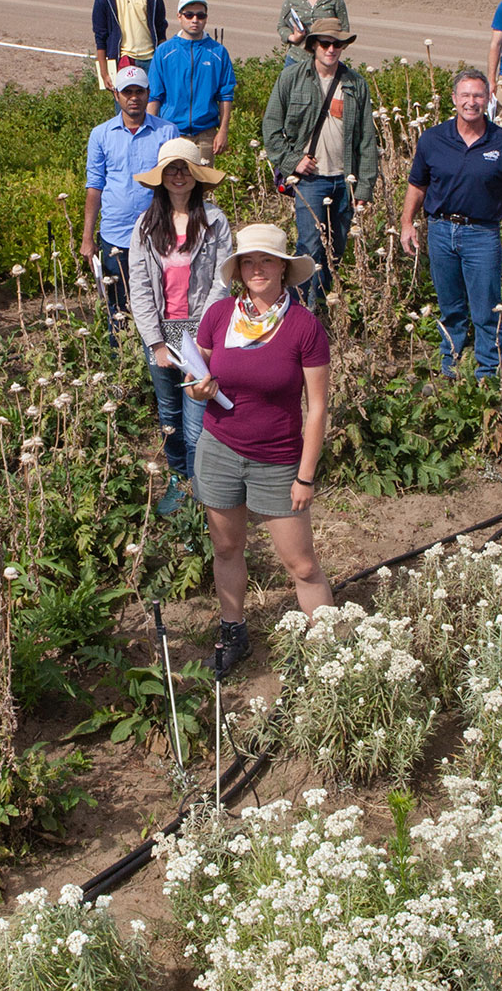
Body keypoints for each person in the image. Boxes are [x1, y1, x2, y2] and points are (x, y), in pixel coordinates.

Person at [186, 224, 333, 676]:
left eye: (266, 260)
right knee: (226, 548)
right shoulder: (219, 316)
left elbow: (317, 408)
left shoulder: (304, 327)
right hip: (219, 450)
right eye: (248, 261)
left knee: (302, 564)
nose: (256, 269)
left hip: (278, 459)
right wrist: (197, 388)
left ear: (284, 268)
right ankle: (234, 632)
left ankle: (333, 653)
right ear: (238, 271)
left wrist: (305, 475)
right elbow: (195, 375)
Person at [126, 139, 234, 513]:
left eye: (185, 169)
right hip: (161, 332)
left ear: (197, 175)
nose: (178, 176)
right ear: (161, 177)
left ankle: (199, 492)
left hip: (200, 334)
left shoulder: (215, 221)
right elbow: (140, 286)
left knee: (196, 422)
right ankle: (178, 480)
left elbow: (223, 279)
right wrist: (156, 343)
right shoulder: (145, 225)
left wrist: (204, 337)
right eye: (171, 169)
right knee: (169, 414)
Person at [399, 71, 502, 378]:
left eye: (478, 96)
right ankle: (451, 368)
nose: (472, 102)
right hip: (440, 231)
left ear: (488, 99)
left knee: (486, 309)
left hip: (482, 235)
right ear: (454, 99)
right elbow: (417, 185)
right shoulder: (433, 139)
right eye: (466, 96)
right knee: (450, 307)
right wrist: (407, 222)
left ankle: (489, 375)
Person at [260, 17, 379, 309]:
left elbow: (367, 139)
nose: (331, 49)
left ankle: (324, 306)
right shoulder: (292, 78)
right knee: (309, 248)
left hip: (345, 180)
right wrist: (293, 161)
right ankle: (299, 310)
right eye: (325, 43)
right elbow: (271, 127)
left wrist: (363, 188)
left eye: (337, 44)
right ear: (313, 45)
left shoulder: (356, 84)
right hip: (311, 181)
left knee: (335, 249)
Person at [84, 64, 177, 335]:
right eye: (127, 92)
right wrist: (87, 237)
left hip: (157, 233)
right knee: (118, 306)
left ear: (148, 94)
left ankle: (158, 353)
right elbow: (94, 186)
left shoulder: (167, 132)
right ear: (116, 95)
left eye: (139, 91)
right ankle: (121, 356)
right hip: (116, 234)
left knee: (160, 301)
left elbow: (176, 184)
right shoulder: (101, 135)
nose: (133, 98)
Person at [147, 0, 236, 160]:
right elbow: (154, 96)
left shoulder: (218, 52)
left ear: (206, 18)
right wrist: (152, 133)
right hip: (172, 133)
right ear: (179, 17)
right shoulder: (164, 52)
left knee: (203, 177)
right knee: (172, 176)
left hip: (206, 134)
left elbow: (225, 95)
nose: (195, 20)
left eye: (200, 15)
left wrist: (223, 131)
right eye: (189, 15)